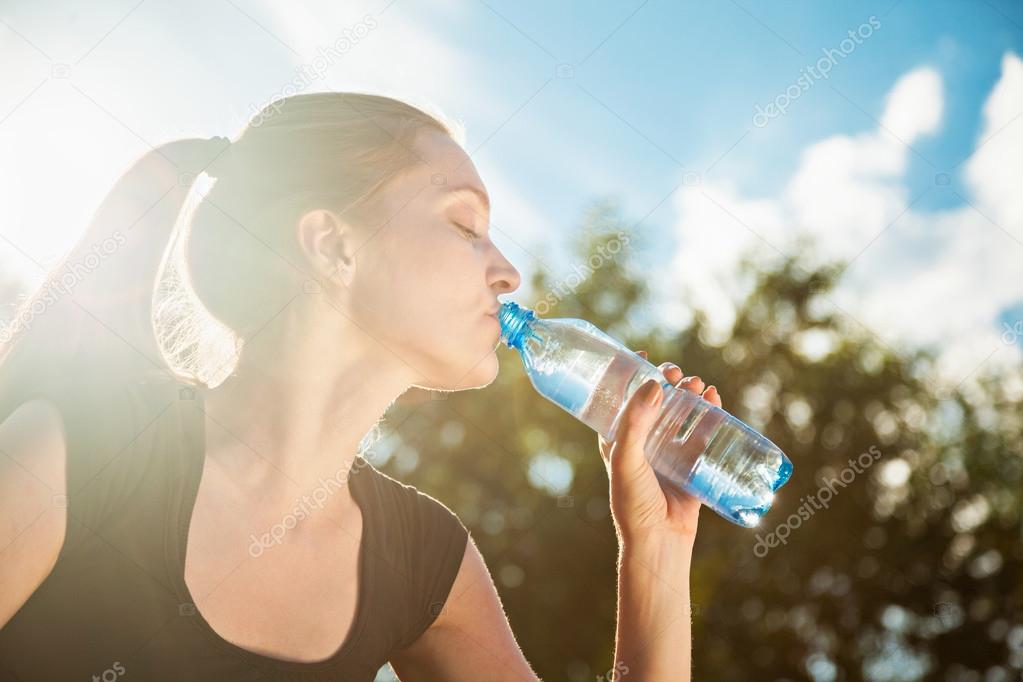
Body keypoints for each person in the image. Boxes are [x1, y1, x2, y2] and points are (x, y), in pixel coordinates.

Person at [0, 92, 721, 681]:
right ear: (334, 246)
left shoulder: (421, 559)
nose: (507, 273)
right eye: (465, 223)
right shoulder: (81, 455)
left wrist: (655, 549)